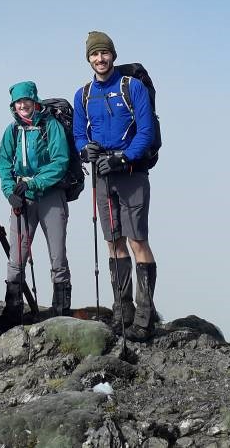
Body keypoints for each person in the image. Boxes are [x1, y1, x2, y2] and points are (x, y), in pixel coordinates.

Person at [72, 31, 158, 342]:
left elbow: (145, 132)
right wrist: (85, 150)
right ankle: (123, 312)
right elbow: (79, 133)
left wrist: (124, 159)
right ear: (89, 59)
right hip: (102, 174)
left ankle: (145, 317)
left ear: (113, 55)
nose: (100, 59)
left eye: (104, 53)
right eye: (94, 55)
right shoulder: (82, 95)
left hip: (131, 171)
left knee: (137, 240)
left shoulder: (132, 87)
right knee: (113, 241)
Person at [0, 81, 72, 328]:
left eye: (26, 100)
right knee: (16, 256)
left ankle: (60, 312)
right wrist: (10, 192)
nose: (23, 105)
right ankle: (12, 312)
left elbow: (60, 161)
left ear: (35, 100)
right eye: (18, 102)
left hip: (51, 195)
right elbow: (4, 165)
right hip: (22, 197)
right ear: (13, 105)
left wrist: (33, 183)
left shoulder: (51, 126)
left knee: (57, 255)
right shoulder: (12, 131)